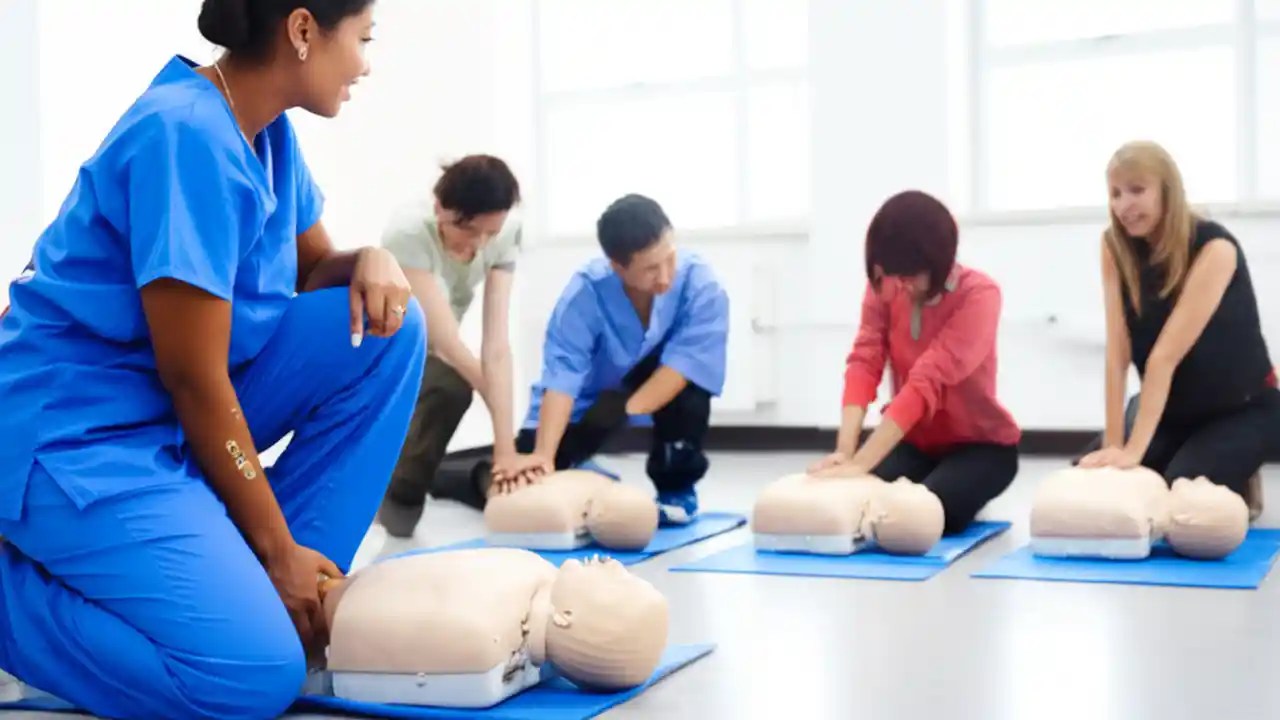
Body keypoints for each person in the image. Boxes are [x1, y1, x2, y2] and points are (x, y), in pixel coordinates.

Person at [0, 2, 427, 719]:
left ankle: (294, 594)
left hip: (162, 413)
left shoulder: (266, 133)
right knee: (248, 677)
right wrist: (274, 548)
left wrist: (372, 258)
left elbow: (317, 267)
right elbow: (194, 379)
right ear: (301, 31)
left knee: (387, 328)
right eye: (362, 40)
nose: (364, 64)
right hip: (75, 436)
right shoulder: (186, 134)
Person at [487, 193, 729, 525]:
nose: (664, 277)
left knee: (691, 396)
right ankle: (464, 476)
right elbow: (561, 376)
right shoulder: (584, 293)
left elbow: (683, 367)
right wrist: (544, 456)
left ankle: (676, 487)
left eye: (669, 259)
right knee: (529, 474)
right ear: (617, 266)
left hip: (649, 386)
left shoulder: (701, 284)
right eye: (649, 269)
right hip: (587, 398)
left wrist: (619, 410)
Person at [1076, 140, 1279, 512]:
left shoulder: (1215, 249)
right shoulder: (1114, 246)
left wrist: (1134, 452)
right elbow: (1118, 354)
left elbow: (1163, 358)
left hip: (1242, 408)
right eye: (1116, 194)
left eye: (1137, 190)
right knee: (1091, 484)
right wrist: (1114, 447)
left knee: (1175, 495)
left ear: (1167, 191)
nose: (1124, 206)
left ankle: (1241, 480)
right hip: (1174, 408)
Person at [808, 190, 1020, 535]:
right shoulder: (886, 289)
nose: (897, 287)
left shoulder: (980, 296)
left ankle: (960, 491)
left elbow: (927, 380)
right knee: (857, 501)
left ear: (936, 264)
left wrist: (862, 463)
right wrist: (846, 453)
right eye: (890, 275)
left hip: (982, 448)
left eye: (908, 277)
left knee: (922, 517)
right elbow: (865, 360)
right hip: (914, 443)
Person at [374, 155, 540, 538]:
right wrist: (504, 443)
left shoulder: (505, 234)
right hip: (388, 349)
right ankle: (391, 490)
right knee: (451, 383)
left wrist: (506, 451)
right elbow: (446, 343)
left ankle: (409, 492)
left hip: (433, 354)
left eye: (490, 232)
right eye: (469, 231)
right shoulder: (409, 234)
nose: (479, 244)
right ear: (440, 209)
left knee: (402, 523)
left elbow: (496, 345)